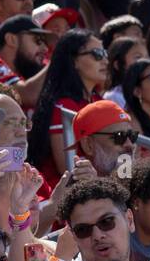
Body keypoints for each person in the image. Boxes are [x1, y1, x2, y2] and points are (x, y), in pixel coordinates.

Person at [26, 29, 108, 187]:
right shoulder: (63, 107)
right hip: (62, 194)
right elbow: (69, 169)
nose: (105, 61)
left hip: (95, 186)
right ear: (74, 61)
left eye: (105, 53)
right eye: (97, 54)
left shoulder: (98, 100)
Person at [71, 100, 139, 178]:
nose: (130, 145)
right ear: (88, 145)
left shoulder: (143, 183)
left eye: (132, 136)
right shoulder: (73, 187)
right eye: (119, 137)